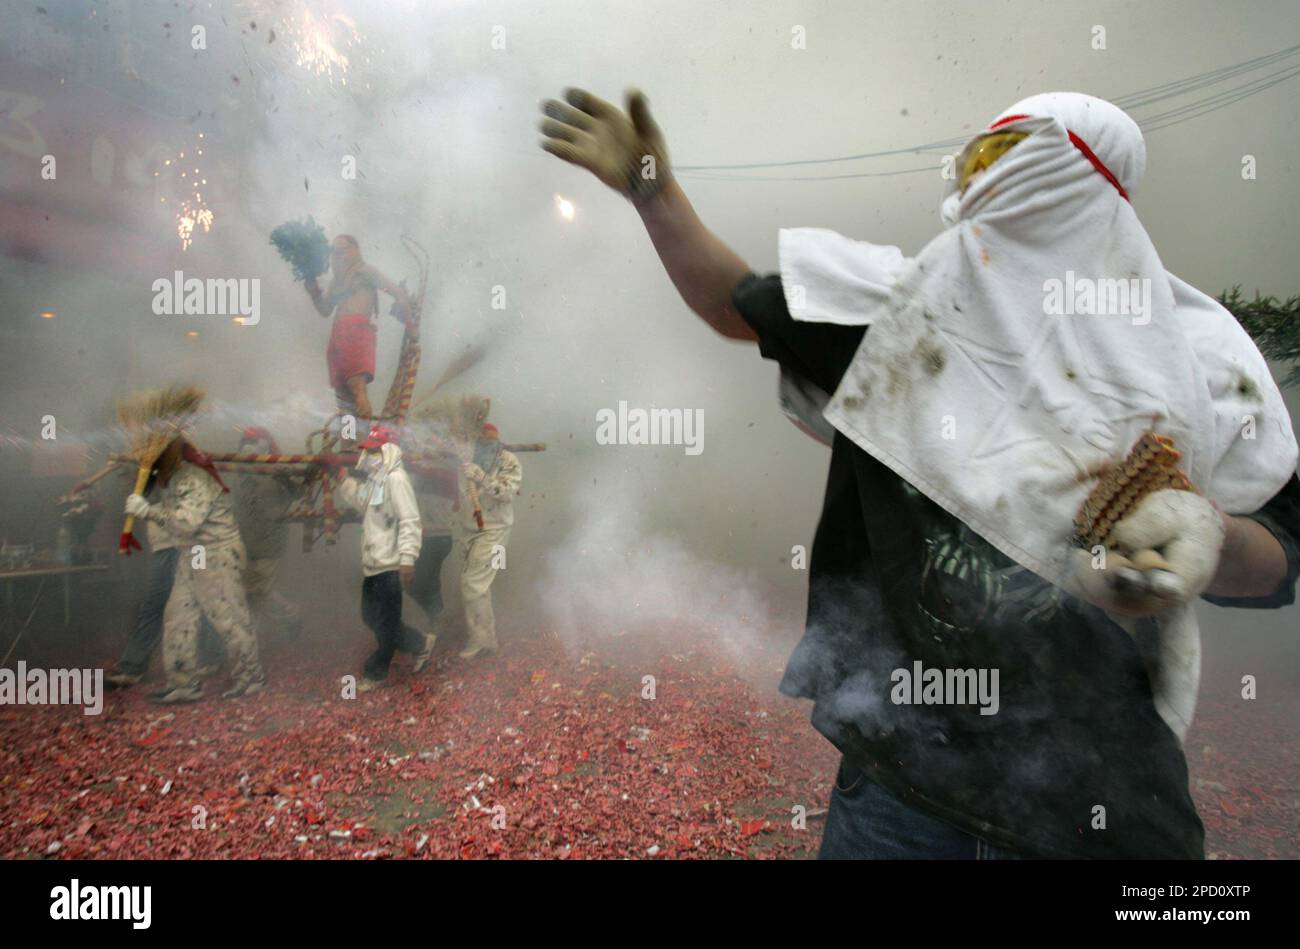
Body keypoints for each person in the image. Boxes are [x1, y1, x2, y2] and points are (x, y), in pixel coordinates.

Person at [538, 88, 1300, 858]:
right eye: (974, 155)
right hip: (904, 789)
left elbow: (1279, 556)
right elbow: (730, 301)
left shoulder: (1195, 365)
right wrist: (652, 190)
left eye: (1003, 153)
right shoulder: (896, 318)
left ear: (1076, 176)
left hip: (1103, 799)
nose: (972, 177)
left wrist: (1208, 535)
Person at [124, 438, 267, 703]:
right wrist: (150, 508)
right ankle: (183, 683)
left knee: (228, 616)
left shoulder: (193, 478)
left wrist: (148, 512)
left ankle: (250, 677)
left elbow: (187, 522)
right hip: (193, 552)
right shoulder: (174, 479)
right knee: (178, 616)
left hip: (215, 552)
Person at [334, 424, 431, 689]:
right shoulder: (376, 479)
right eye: (369, 451)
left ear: (388, 450)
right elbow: (365, 504)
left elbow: (410, 519)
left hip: (390, 563)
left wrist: (407, 559)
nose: (370, 456)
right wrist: (344, 480)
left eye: (375, 451)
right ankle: (419, 642)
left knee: (385, 623)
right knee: (370, 617)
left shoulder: (396, 478)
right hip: (373, 563)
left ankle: (376, 672)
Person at [104, 483, 224, 689]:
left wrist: (148, 509)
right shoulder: (149, 477)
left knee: (197, 600)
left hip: (194, 546)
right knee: (155, 605)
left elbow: (188, 517)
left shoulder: (182, 476)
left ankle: (211, 656)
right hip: (166, 548)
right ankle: (133, 667)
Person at [304, 234, 412, 423]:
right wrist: (313, 291)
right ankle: (348, 447)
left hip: (356, 331)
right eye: (334, 251)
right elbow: (325, 310)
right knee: (343, 398)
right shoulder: (336, 281)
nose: (338, 255)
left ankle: (362, 441)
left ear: (355, 250)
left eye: (343, 250)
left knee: (357, 390)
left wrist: (411, 326)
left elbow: (397, 292)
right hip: (337, 335)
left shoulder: (366, 271)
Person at [455, 423, 522, 660]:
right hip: (469, 529)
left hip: (495, 530)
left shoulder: (508, 460)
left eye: (487, 444)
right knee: (477, 583)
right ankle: (484, 633)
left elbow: (507, 492)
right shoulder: (464, 457)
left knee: (473, 583)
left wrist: (482, 477)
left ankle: (484, 643)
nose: (482, 448)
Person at [232, 427, 303, 645]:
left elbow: (298, 492)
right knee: (249, 591)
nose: (248, 448)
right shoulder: (240, 470)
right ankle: (286, 617)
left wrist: (285, 478)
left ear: (265, 446)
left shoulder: (277, 469)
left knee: (257, 591)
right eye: (245, 442)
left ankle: (286, 617)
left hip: (269, 540)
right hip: (244, 539)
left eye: (253, 443)